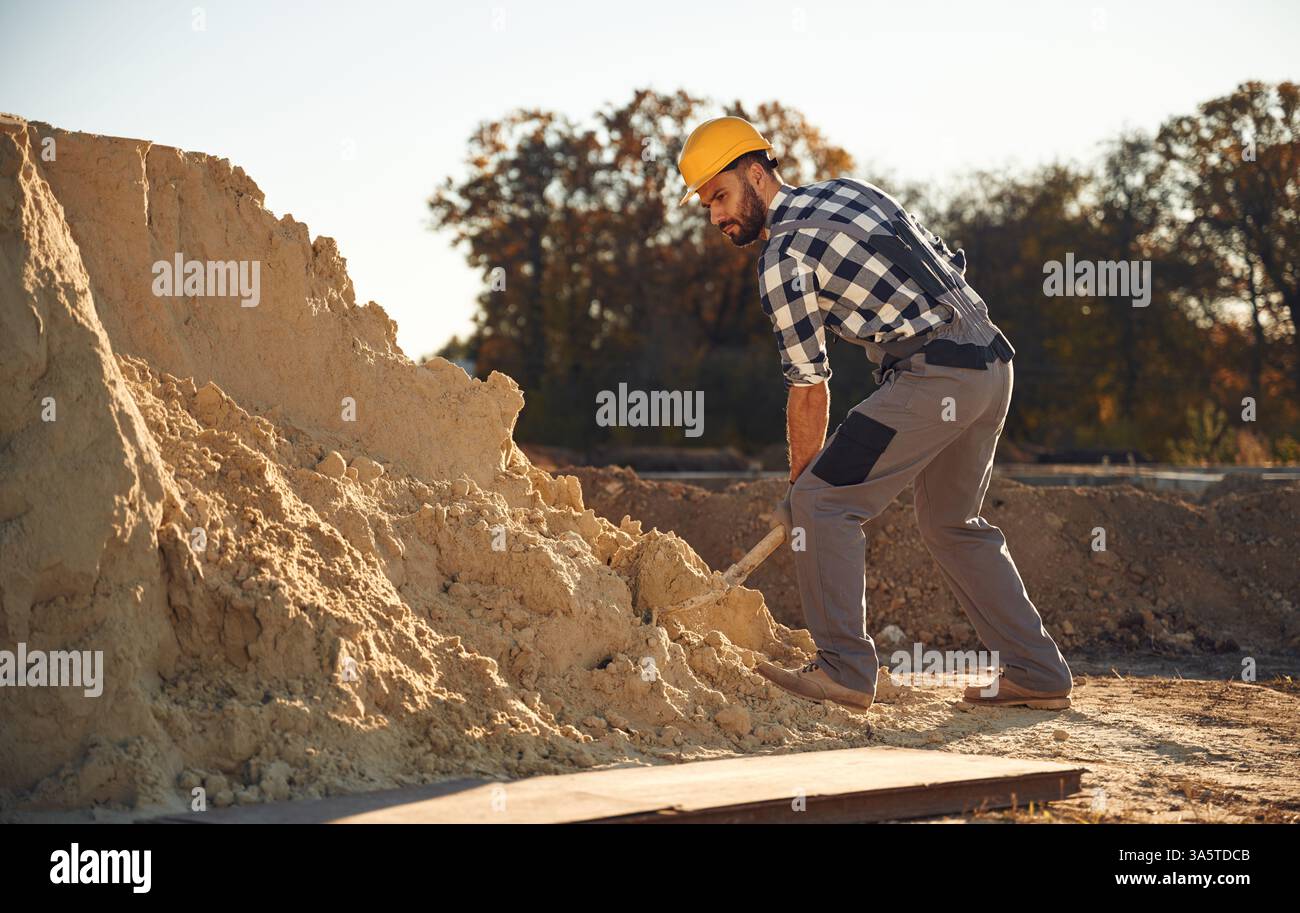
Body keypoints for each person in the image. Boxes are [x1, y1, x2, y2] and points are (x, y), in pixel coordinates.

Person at [676, 116, 1073, 713]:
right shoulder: (852, 191)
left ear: (756, 174)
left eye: (721, 196)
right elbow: (941, 265)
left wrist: (801, 490)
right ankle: (1038, 673)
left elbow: (809, 386)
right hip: (992, 366)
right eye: (707, 203)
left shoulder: (783, 258)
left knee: (823, 503)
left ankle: (843, 669)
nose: (715, 215)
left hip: (936, 372)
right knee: (950, 523)